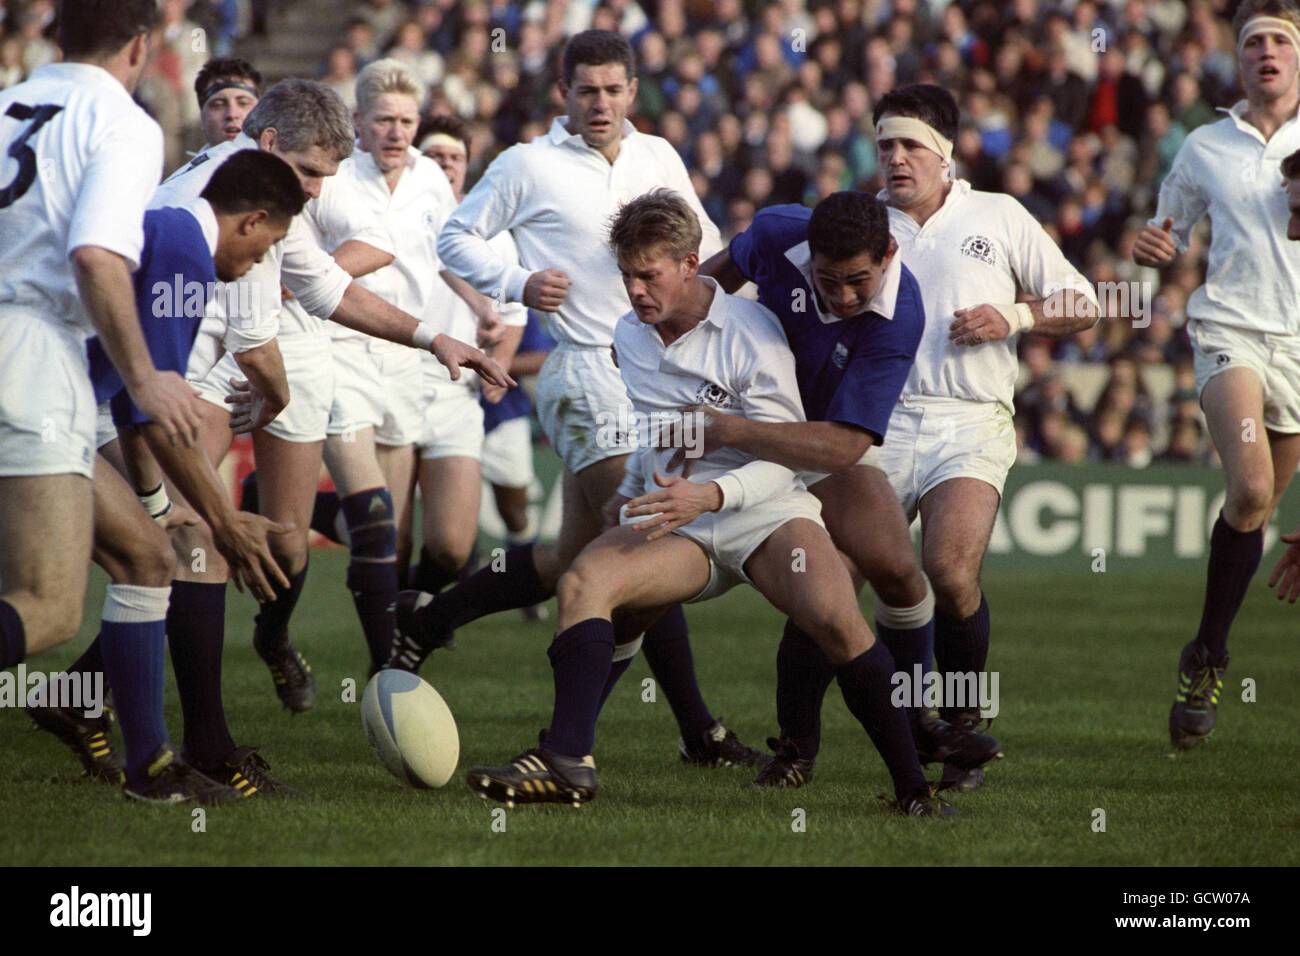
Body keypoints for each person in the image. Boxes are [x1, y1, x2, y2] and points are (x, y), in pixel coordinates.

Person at [466, 190, 955, 817]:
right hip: (682, 518)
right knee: (584, 580)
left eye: (649, 275)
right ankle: (567, 760)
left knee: (839, 623)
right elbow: (661, 433)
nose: (636, 290)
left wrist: (715, 490)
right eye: (627, 275)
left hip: (768, 510)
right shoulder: (628, 336)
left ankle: (914, 790)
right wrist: (643, 485)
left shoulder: (755, 334)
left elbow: (794, 462)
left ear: (690, 264)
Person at [396, 30, 767, 768]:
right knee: (645, 538)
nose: (599, 103)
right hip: (587, 372)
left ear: (632, 92)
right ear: (562, 93)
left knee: (573, 553)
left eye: (612, 89)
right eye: (585, 90)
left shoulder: (658, 156)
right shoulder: (527, 164)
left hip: (656, 377)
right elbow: (455, 238)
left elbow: (705, 244)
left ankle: (436, 617)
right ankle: (686, 735)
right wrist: (517, 283)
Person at [147, 79, 513, 792]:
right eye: (310, 172)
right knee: (187, 551)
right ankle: (203, 748)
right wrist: (271, 397)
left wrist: (433, 336)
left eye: (326, 177)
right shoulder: (234, 203)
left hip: (188, 382)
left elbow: (321, 287)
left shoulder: (247, 186)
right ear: (272, 143)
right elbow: (261, 345)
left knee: (172, 553)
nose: (317, 192)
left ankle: (105, 711)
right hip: (172, 390)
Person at [749, 84, 1099, 790]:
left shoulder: (997, 215)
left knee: (950, 569)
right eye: (884, 145)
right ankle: (795, 747)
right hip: (870, 427)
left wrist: (1016, 318)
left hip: (968, 419)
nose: (895, 159)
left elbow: (1085, 301)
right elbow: (758, 255)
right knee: (829, 585)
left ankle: (960, 731)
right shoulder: (855, 224)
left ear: (946, 154)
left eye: (910, 145)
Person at [695, 191, 1002, 788]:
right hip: (734, 438)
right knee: (826, 583)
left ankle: (918, 724)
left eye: (857, 280)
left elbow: (844, 448)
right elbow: (721, 271)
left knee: (899, 569)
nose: (841, 297)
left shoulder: (902, 311)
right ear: (808, 251)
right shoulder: (778, 229)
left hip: (813, 443)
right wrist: (667, 324)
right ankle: (795, 750)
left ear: (888, 253)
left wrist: (736, 429)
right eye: (826, 280)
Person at [28, 149, 306, 803]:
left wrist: (157, 503)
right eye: (270, 244)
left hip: (54, 399)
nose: (263, 261)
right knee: (46, 607)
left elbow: (133, 400)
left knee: (148, 558)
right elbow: (159, 414)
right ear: (252, 220)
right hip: (35, 396)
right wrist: (224, 522)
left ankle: (150, 767)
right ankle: (150, 762)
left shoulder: (169, 230)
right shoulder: (185, 248)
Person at [0, 0, 203, 675]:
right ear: (141, 48)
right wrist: (144, 378)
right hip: (30, 351)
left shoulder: (6, 103)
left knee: (131, 557)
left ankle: (146, 763)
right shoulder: (123, 123)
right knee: (50, 605)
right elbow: (95, 254)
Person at [1134, 1, 1300, 749]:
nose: (1266, 51)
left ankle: (1205, 649)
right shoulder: (1206, 144)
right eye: (1253, 41)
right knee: (1253, 488)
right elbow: (1166, 227)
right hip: (1229, 328)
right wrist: (1154, 247)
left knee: (1254, 514)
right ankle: (1210, 663)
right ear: (1237, 59)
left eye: (1280, 40)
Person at [194, 56, 262, 148]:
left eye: (243, 103)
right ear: (202, 116)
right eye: (218, 105)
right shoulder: (195, 163)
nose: (232, 114)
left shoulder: (280, 162)